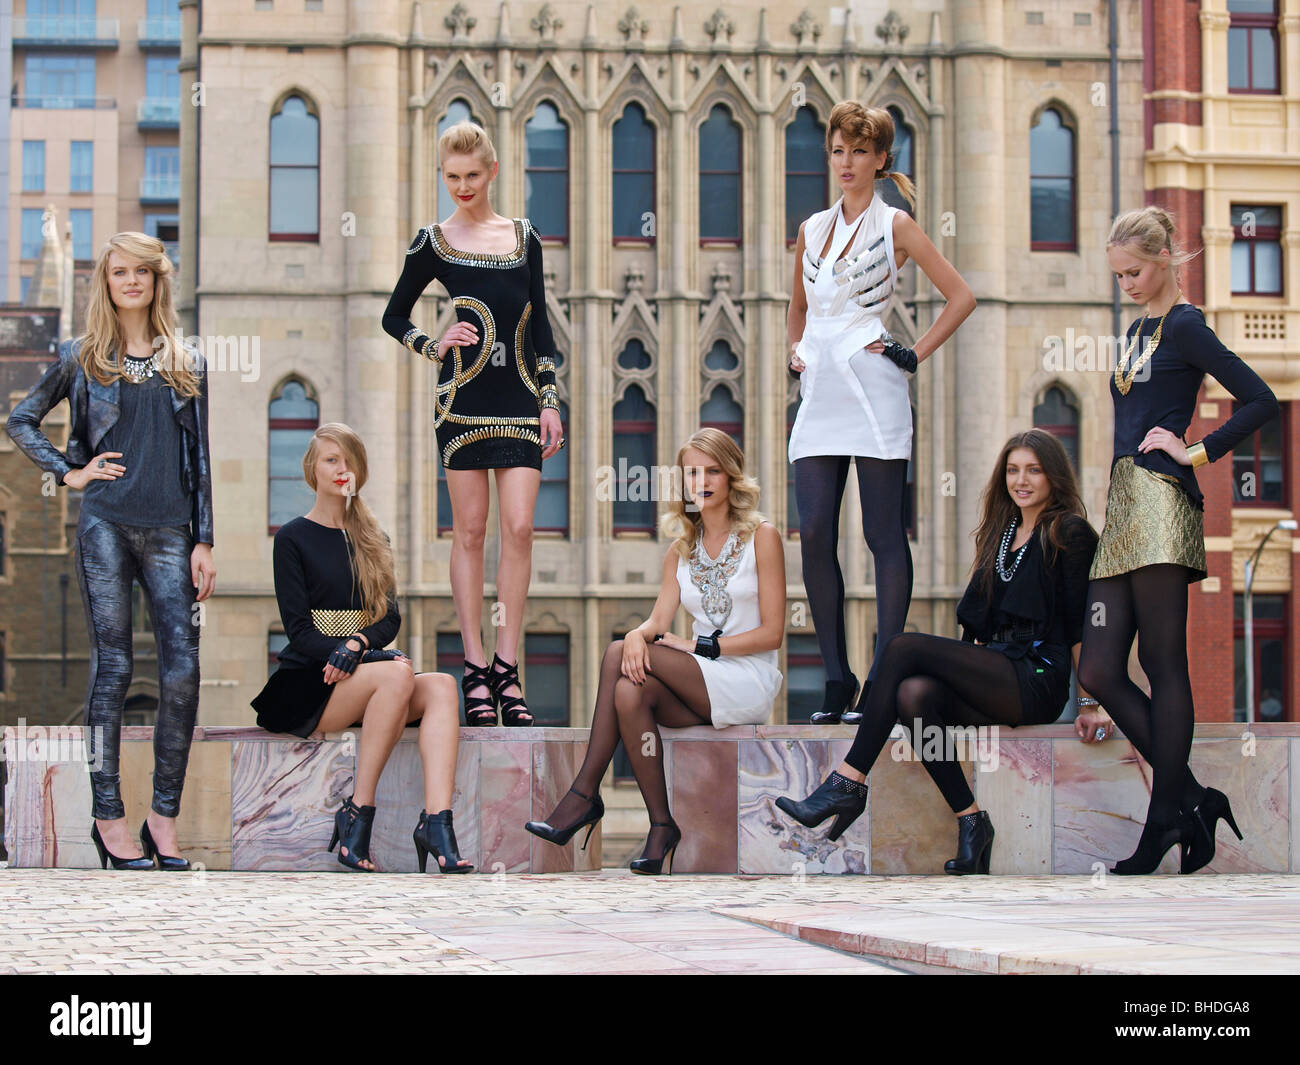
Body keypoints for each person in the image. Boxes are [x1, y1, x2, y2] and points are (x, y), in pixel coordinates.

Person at [775, 430, 1098, 874]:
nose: (1021, 481)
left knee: (903, 646)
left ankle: (848, 782)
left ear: (1054, 477)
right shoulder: (1001, 534)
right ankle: (971, 821)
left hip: (1037, 673)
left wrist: (1090, 701)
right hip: (999, 668)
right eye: (1013, 470)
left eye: (1034, 471)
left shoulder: (1070, 533)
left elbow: (1084, 625)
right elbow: (978, 624)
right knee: (913, 695)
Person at [1077, 206, 1279, 875]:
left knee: (1165, 663)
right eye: (1118, 274)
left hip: (1163, 502)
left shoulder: (1187, 325)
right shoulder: (1136, 329)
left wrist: (1194, 451)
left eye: (1134, 270)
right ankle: (1192, 796)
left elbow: (1259, 400)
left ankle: (1164, 817)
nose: (1127, 283)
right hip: (1124, 505)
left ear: (1164, 258)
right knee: (1099, 667)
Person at [6, 231, 216, 871]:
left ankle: (163, 818)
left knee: (182, 672)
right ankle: (108, 817)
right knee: (114, 669)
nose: (130, 282)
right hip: (104, 526)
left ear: (157, 282)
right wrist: (69, 471)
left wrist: (205, 538)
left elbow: (200, 458)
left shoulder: (187, 359)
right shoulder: (81, 358)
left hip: (171, 531)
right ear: (106, 281)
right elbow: (20, 419)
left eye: (141, 273)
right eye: (118, 272)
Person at [787, 101, 976, 725]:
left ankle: (883, 683)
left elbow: (961, 296)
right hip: (820, 394)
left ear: (880, 160)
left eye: (859, 152)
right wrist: (796, 355)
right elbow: (799, 309)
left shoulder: (897, 224)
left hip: (873, 387)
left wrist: (910, 354)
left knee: (881, 534)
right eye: (838, 150)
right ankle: (836, 679)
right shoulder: (811, 228)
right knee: (814, 530)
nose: (847, 162)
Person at [525, 429, 785, 875]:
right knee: (629, 693)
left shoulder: (763, 537)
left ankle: (584, 794)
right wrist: (635, 635)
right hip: (700, 683)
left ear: (731, 477)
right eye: (691, 472)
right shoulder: (680, 550)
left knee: (613, 659)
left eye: (712, 471)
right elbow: (657, 623)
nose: (700, 481)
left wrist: (699, 644)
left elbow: (773, 634)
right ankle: (661, 824)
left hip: (746, 679)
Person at [382, 120, 564, 730]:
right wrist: (432, 346)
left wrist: (550, 399)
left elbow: (540, 327)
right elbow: (392, 314)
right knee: (470, 532)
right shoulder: (433, 242)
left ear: (491, 172)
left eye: (472, 175)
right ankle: (476, 666)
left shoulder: (523, 237)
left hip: (518, 399)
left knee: (518, 527)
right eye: (451, 177)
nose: (462, 186)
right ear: (444, 177)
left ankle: (508, 666)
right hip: (459, 402)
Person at [252, 424, 471, 874]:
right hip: (312, 682)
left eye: (349, 460)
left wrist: (358, 645)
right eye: (331, 459)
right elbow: (299, 632)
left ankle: (437, 823)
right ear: (312, 468)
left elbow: (390, 619)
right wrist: (353, 654)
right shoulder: (291, 538)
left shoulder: (373, 538)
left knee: (443, 687)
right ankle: (357, 814)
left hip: (363, 674)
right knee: (396, 672)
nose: (341, 468)